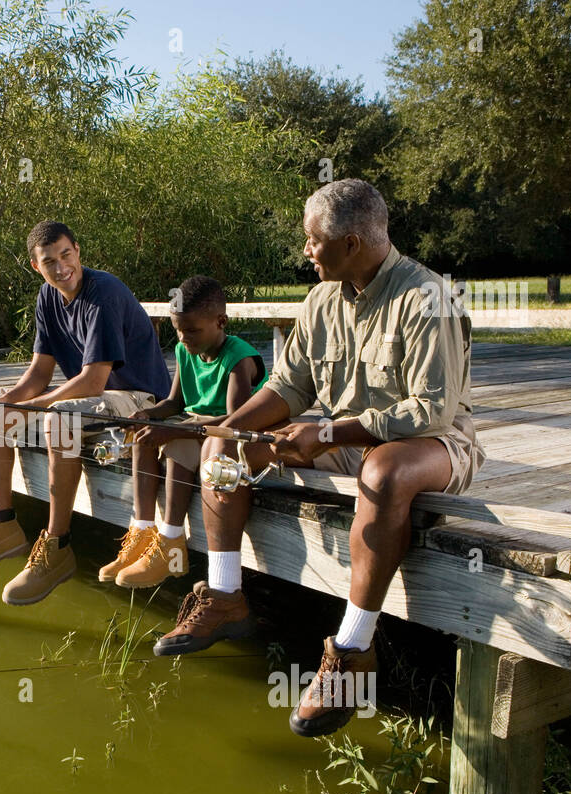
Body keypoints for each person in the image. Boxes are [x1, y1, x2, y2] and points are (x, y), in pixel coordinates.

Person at [154, 179, 486, 739]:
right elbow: (289, 385)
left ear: (351, 243)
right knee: (223, 447)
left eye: (312, 240)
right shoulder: (320, 300)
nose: (305, 250)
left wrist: (327, 432)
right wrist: (230, 429)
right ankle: (226, 596)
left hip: (434, 446)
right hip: (341, 437)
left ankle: (354, 651)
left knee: (382, 469)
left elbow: (430, 411)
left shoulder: (429, 296)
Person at [0, 220, 172, 605]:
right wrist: (7, 402)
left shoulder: (103, 293)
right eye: (49, 261)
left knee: (60, 418)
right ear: (37, 266)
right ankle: (4, 526)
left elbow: (93, 380)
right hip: (91, 399)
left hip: (138, 399)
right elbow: (38, 374)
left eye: (66, 255)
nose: (60, 267)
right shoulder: (46, 297)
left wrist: (37, 404)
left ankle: (58, 547)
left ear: (78, 251)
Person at [99, 275, 265, 589]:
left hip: (225, 437)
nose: (184, 337)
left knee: (174, 444)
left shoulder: (238, 359)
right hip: (195, 427)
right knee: (145, 437)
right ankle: (143, 529)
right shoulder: (185, 350)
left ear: (220, 321)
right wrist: (147, 415)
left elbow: (235, 420)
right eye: (179, 330)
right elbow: (175, 403)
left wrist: (176, 430)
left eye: (192, 330)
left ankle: (171, 539)